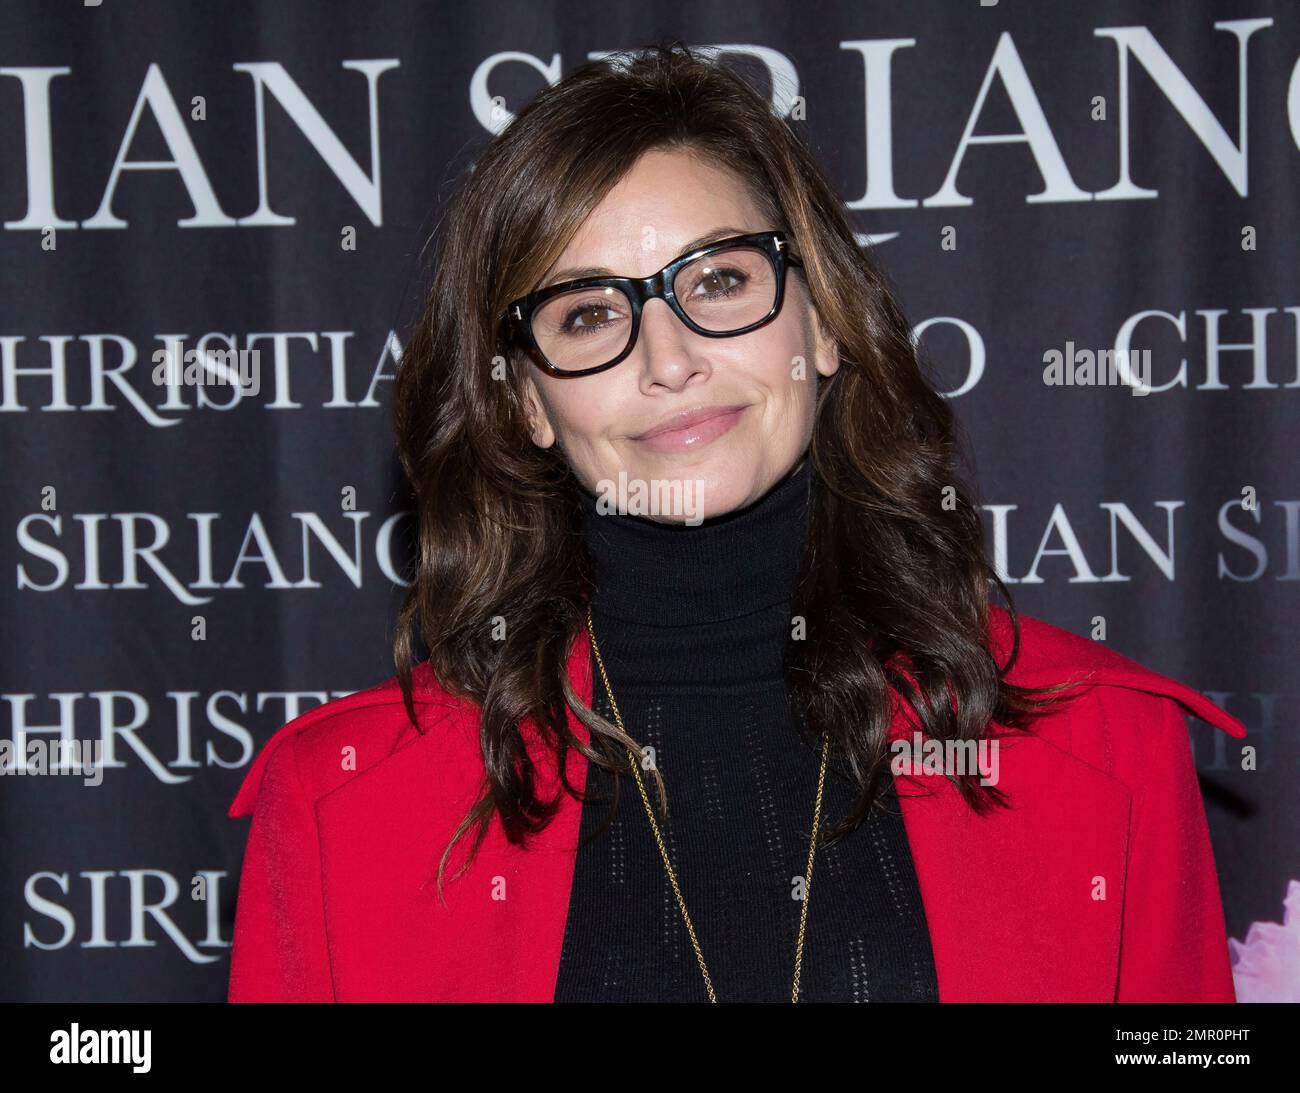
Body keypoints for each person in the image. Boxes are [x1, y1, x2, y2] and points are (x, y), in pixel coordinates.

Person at [226, 41, 1246, 1003]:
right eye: (586, 313)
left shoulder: (1110, 749)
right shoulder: (336, 809)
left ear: (826, 321)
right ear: (526, 401)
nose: (668, 358)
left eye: (720, 280)